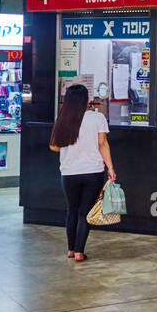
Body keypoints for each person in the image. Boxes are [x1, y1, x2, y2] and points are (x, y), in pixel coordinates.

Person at [50, 83, 117, 262]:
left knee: (71, 210)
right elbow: (103, 144)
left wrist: (71, 149)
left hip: (69, 171)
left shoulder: (62, 119)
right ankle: (80, 251)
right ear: (86, 100)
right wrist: (110, 167)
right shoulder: (97, 118)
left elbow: (53, 146)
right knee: (84, 212)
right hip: (93, 171)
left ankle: (71, 249)